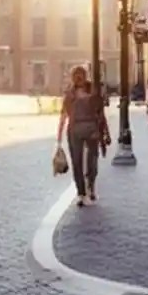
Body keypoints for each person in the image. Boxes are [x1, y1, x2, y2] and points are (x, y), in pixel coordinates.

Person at [56, 65, 106, 207]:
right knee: (76, 162)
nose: (78, 78)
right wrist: (59, 138)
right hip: (75, 131)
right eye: (75, 75)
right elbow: (63, 115)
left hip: (92, 130)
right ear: (72, 78)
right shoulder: (69, 95)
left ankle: (90, 185)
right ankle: (81, 193)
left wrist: (103, 132)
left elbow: (100, 114)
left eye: (81, 75)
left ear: (85, 76)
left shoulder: (93, 92)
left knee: (92, 161)